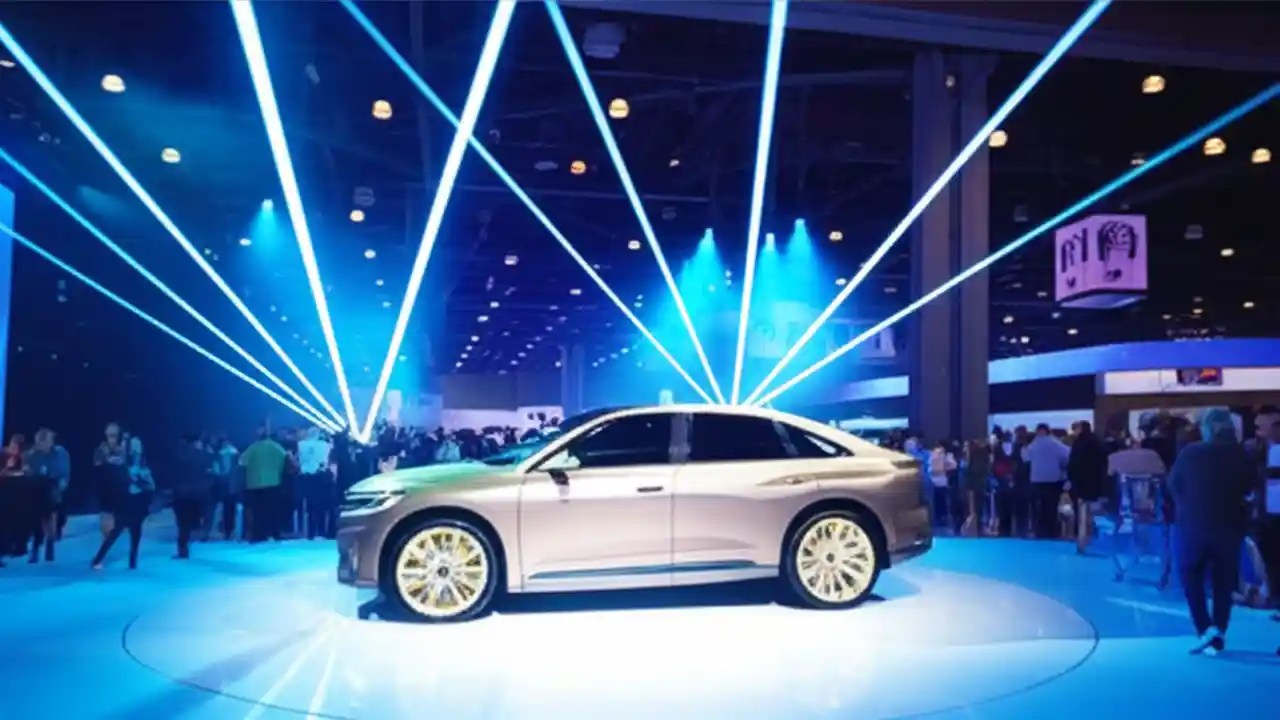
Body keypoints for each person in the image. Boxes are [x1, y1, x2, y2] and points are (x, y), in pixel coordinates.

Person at [1168, 409, 1255, 656]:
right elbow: (1249, 487)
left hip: (1192, 524)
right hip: (1229, 526)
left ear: (1205, 428)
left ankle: (1204, 629)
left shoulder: (1190, 453)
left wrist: (1187, 505)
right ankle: (1219, 628)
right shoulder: (1242, 455)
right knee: (1223, 581)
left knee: (1191, 576)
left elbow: (1173, 485)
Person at [91, 436, 155, 570]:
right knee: (120, 532)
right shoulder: (120, 463)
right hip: (126, 502)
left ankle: (129, 563)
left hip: (134, 502)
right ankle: (100, 559)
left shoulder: (138, 465)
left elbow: (150, 485)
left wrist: (139, 482)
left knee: (129, 532)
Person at [23, 429, 70, 563]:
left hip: (54, 488)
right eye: (41, 442)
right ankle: (35, 549)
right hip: (37, 489)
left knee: (53, 516)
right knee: (38, 518)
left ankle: (50, 542)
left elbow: (64, 473)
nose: (45, 444)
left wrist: (62, 485)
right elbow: (28, 474)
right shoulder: (31, 455)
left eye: (49, 441)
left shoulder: (60, 453)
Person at [1067, 421, 1109, 554]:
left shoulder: (1080, 443)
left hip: (1081, 484)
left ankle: (1083, 542)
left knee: (1082, 514)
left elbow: (1074, 463)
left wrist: (1071, 478)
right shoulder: (1097, 442)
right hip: (1096, 483)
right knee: (1094, 513)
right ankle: (1095, 541)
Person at [240, 428, 288, 543]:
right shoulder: (277, 447)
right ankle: (274, 532)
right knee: (272, 510)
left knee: (258, 511)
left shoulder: (253, 447)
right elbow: (285, 460)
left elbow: (242, 462)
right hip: (274, 481)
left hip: (254, 483)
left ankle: (259, 534)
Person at [1023, 424, 1070, 539]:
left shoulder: (1032, 446)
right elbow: (1067, 455)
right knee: (1052, 507)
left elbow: (1025, 458)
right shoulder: (1056, 444)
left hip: (1036, 479)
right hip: (1053, 479)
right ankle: (1053, 532)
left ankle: (1039, 531)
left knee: (1038, 508)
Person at [171, 435, 213, 559]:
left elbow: (174, 473)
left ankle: (183, 548)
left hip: (182, 493)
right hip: (199, 493)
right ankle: (196, 535)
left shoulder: (179, 455)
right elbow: (211, 468)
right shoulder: (203, 455)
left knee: (182, 523)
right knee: (194, 519)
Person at [92, 423, 128, 540]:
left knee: (119, 518)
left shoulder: (125, 448)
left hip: (121, 489)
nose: (112, 438)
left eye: (115, 435)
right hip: (106, 489)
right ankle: (107, 541)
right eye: (110, 435)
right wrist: (105, 455)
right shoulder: (101, 449)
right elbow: (97, 464)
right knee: (106, 516)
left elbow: (130, 465)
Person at [296, 428, 334, 540]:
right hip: (320, 477)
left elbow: (299, 459)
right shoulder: (324, 445)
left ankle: (310, 532)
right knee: (321, 506)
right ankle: (321, 530)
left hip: (306, 477)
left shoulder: (301, 444)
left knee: (310, 506)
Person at [962, 438, 990, 537]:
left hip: (973, 487)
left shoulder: (974, 458)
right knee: (977, 509)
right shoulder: (983, 458)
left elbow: (971, 472)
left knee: (974, 509)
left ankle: (973, 530)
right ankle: (977, 529)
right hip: (978, 485)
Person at [928, 441, 957, 531]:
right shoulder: (946, 455)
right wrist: (945, 468)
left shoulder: (933, 454)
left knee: (938, 501)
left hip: (935, 481)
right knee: (942, 501)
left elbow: (929, 467)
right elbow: (953, 466)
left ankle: (939, 518)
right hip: (942, 481)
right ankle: (942, 518)